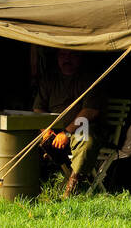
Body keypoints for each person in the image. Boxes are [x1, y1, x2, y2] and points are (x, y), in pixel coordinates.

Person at [32, 49, 104, 196]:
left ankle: (72, 185)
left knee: (86, 141)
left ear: (80, 57)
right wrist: (46, 131)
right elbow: (38, 108)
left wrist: (66, 133)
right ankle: (33, 188)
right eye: (63, 55)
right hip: (53, 130)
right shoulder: (50, 79)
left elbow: (90, 111)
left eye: (73, 55)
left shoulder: (88, 79)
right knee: (25, 142)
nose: (67, 59)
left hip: (81, 127)